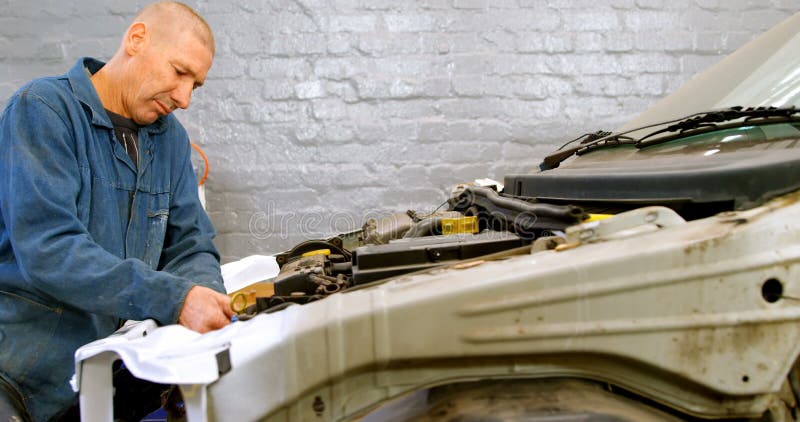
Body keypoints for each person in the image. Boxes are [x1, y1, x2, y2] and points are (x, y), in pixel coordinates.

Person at [0, 2, 234, 420]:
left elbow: (190, 244)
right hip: (19, 375)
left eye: (195, 85)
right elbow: (50, 250)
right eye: (179, 72)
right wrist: (175, 297)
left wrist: (205, 304)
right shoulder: (44, 110)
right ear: (136, 39)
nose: (184, 98)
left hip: (106, 370)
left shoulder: (170, 142)